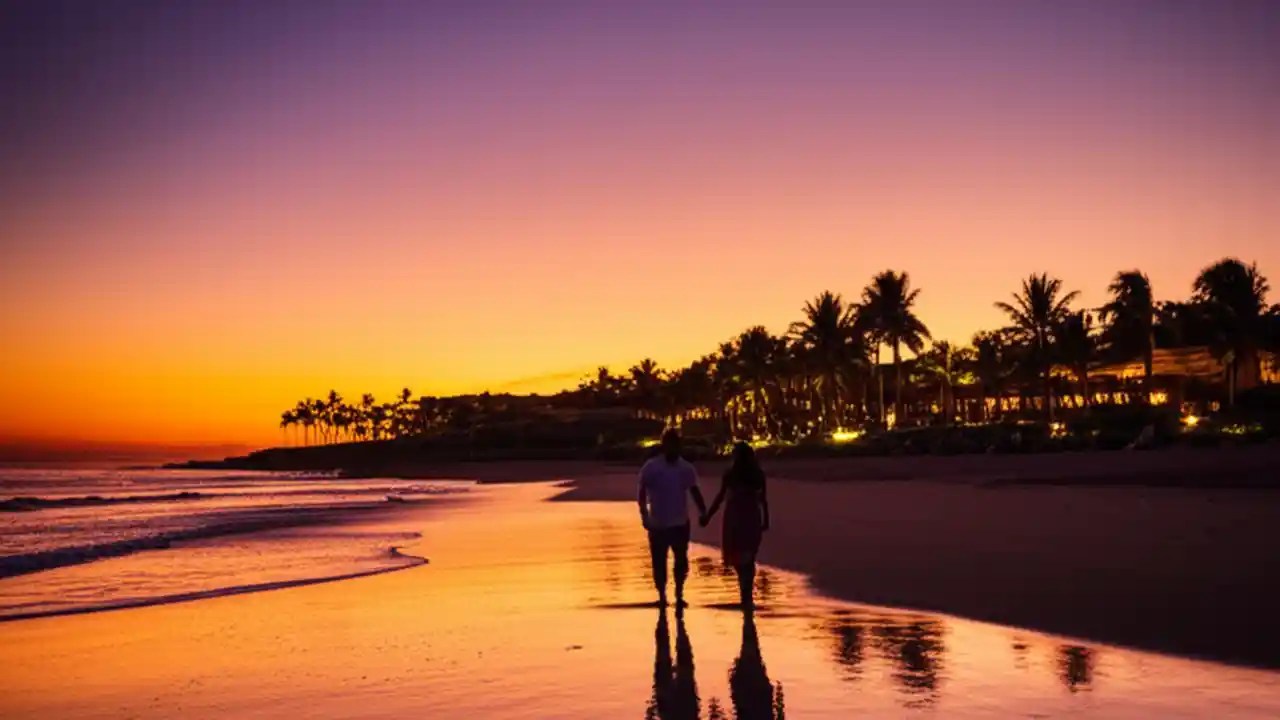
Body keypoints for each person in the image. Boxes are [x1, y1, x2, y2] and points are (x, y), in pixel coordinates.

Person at [638, 429, 707, 608]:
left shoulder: (686, 468)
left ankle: (679, 593)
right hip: (657, 523)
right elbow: (642, 491)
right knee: (659, 561)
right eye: (669, 444)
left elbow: (694, 490)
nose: (673, 448)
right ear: (664, 445)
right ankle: (662, 595)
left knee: (681, 560)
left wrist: (703, 511)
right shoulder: (651, 467)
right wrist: (644, 514)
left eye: (675, 445)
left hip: (680, 522)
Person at [701, 441, 770, 609]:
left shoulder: (731, 474)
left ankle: (744, 594)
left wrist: (708, 516)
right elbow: (763, 500)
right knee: (749, 556)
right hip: (751, 516)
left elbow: (720, 497)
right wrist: (766, 519)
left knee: (739, 558)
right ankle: (747, 595)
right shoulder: (757, 474)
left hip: (735, 517)